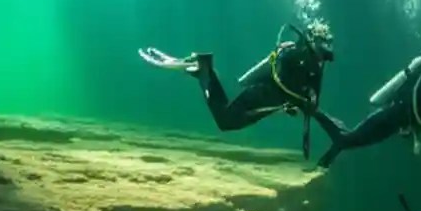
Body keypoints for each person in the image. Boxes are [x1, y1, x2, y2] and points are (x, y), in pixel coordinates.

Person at [140, 21, 343, 159]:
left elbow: (311, 95)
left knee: (226, 121)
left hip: (269, 102)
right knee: (226, 121)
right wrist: (302, 101)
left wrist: (307, 101)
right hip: (260, 95)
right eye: (321, 50)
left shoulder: (314, 66)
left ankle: (205, 71)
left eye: (325, 53)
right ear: (311, 43)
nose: (322, 57)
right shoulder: (296, 55)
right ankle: (205, 70)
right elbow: (289, 81)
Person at [315, 38, 421, 169]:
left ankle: (328, 150)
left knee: (350, 140)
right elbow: (413, 102)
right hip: (391, 116)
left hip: (395, 120)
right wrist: (416, 131)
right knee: (350, 140)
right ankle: (317, 114)